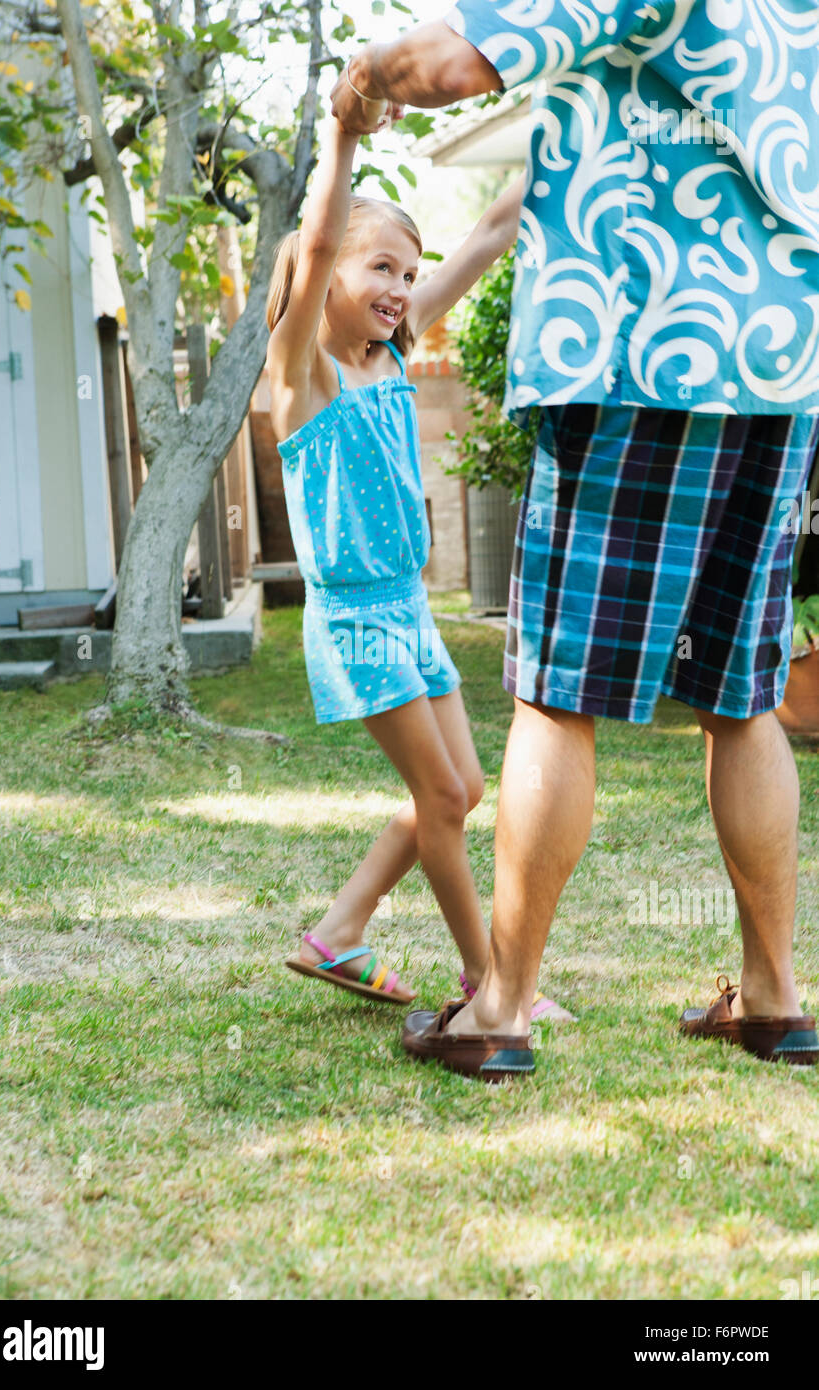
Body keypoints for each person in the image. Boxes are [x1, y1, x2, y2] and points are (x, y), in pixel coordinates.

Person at [330, 2, 819, 1080]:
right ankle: (774, 997)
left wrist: (358, 79)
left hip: (634, 336)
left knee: (559, 690)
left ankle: (498, 1008)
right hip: (783, 350)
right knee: (740, 692)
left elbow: (454, 63)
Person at [267, 111, 570, 1020]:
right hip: (357, 619)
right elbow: (319, 238)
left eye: (407, 271)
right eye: (381, 270)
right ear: (325, 281)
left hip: (410, 612)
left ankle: (340, 930)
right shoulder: (304, 376)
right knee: (440, 793)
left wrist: (572, 124)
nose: (400, 288)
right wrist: (342, 137)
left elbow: (486, 234)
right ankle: (490, 982)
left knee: (464, 789)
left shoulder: (394, 356)